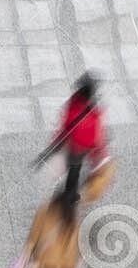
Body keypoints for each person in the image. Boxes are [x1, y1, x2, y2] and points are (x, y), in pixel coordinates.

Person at [37, 74, 107, 205]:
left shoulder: (74, 102)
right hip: (80, 148)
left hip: (70, 143)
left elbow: (65, 123)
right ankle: (69, 195)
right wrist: (97, 156)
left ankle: (67, 191)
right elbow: (95, 137)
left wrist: (56, 141)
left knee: (71, 166)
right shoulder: (94, 112)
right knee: (75, 169)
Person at [16, 192, 81, 268]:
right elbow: (70, 257)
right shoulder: (72, 225)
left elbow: (32, 237)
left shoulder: (45, 212)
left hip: (39, 262)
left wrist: (27, 254)